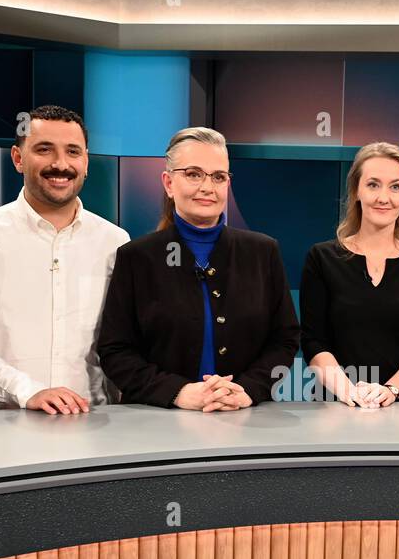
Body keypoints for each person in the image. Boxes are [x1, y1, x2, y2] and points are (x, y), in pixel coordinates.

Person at [96, 127, 299, 410]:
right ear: (168, 183)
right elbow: (115, 351)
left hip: (244, 416)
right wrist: (177, 392)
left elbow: (284, 339)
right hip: (156, 420)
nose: (207, 187)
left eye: (218, 177)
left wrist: (248, 389)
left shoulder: (262, 252)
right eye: (193, 174)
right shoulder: (136, 257)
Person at [0, 105, 129, 415]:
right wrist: (28, 391)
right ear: (17, 158)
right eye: (44, 150)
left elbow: (122, 344)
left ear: (86, 161)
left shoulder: (115, 241)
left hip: (90, 424)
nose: (60, 164)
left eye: (73, 152)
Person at [299, 142, 399, 407]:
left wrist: (389, 391)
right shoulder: (322, 258)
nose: (384, 197)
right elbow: (313, 341)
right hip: (336, 405)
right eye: (373, 184)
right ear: (356, 190)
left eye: (395, 186)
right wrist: (349, 392)